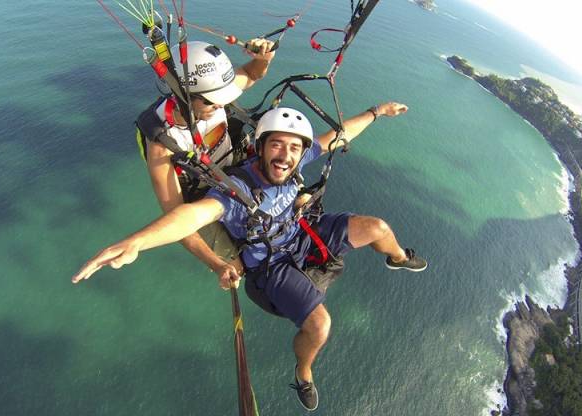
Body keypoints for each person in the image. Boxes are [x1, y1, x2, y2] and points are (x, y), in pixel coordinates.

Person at [74, 103, 427, 411]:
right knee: (320, 326)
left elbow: (338, 136)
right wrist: (138, 240)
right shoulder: (236, 190)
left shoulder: (297, 159)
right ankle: (303, 373)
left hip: (303, 233)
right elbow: (190, 216)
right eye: (276, 145)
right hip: (271, 265)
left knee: (378, 228)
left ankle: (396, 258)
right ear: (260, 147)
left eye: (292, 148)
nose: (285, 156)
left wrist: (377, 112)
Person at [134, 39, 276, 288]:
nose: (220, 104)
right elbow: (174, 216)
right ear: (183, 96)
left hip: (232, 168)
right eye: (212, 101)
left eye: (222, 97)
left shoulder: (211, 97)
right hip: (203, 194)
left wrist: (264, 56)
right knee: (242, 261)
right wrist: (217, 264)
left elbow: (254, 72)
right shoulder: (161, 141)